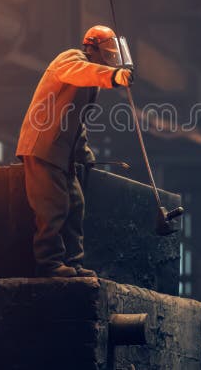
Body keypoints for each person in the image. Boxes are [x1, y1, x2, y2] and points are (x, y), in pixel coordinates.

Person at [16, 25, 133, 277]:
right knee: (53, 206)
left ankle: (73, 262)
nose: (110, 58)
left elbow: (75, 121)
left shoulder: (91, 83)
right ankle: (49, 263)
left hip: (61, 152)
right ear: (92, 48)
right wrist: (114, 76)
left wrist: (84, 154)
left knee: (76, 204)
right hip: (42, 146)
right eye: (107, 53)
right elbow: (82, 72)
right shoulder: (70, 60)